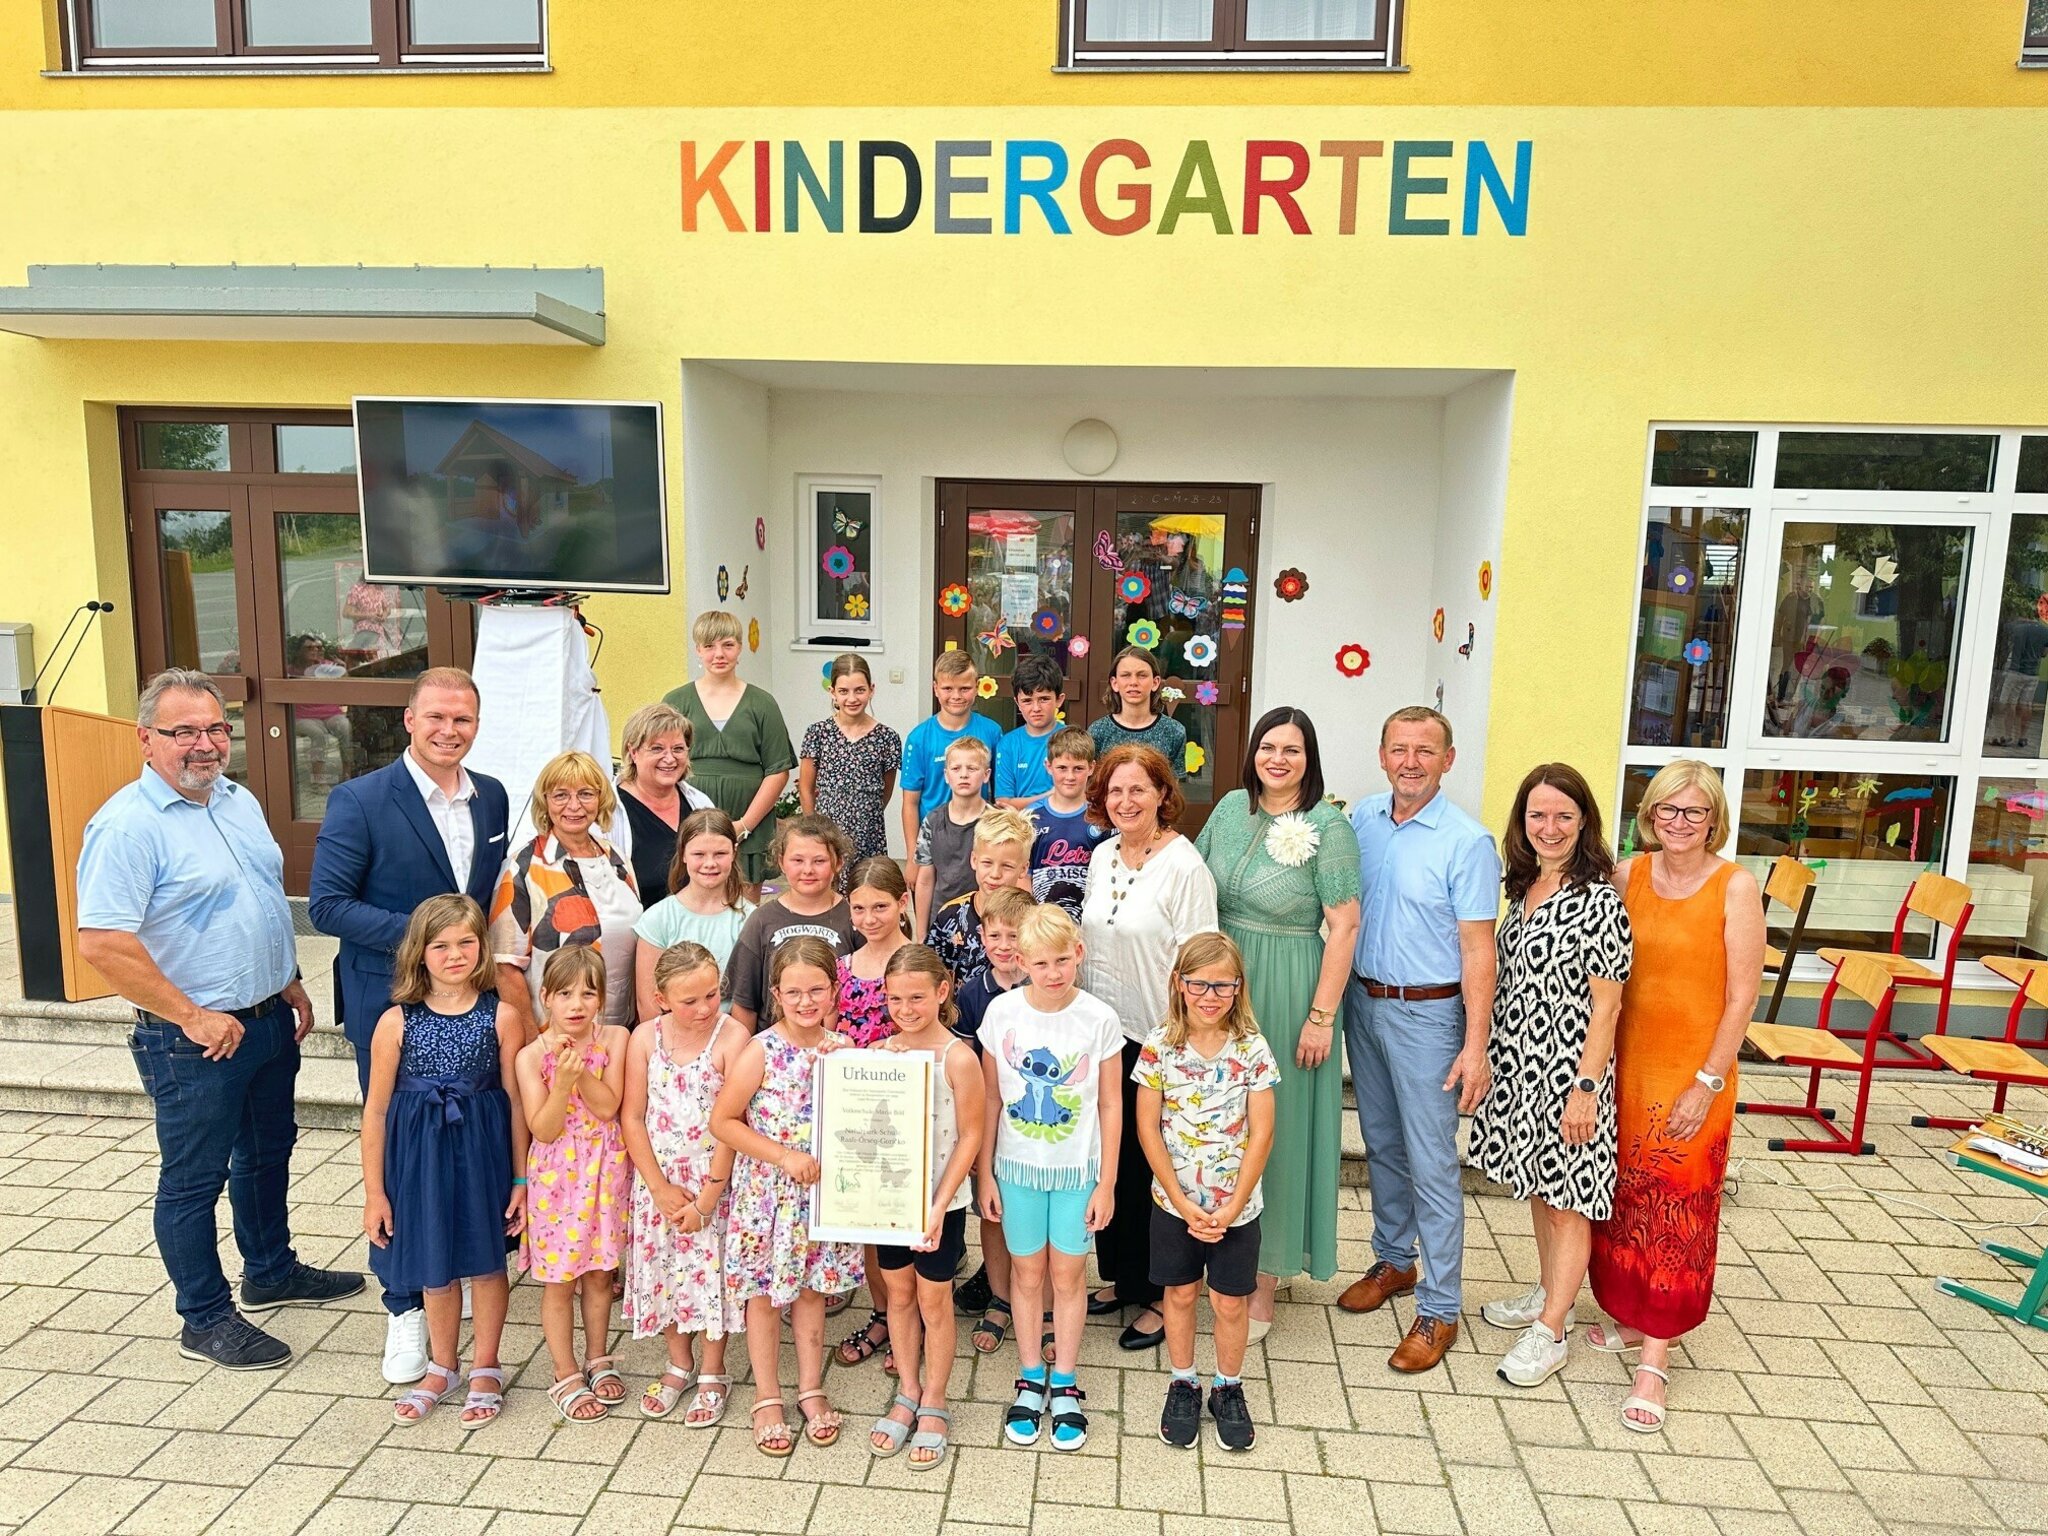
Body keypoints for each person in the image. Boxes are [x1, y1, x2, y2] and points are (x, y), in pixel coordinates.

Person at [77, 669, 362, 1371]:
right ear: (146, 740)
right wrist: (192, 1016)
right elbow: (102, 942)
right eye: (184, 732)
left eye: (214, 729)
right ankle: (203, 1317)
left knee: (268, 1152)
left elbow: (258, 897)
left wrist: (288, 978)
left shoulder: (236, 801)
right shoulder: (127, 826)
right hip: (193, 1040)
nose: (204, 744)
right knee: (193, 1179)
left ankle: (270, 1269)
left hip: (265, 1021)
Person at [309, 666, 509, 1384]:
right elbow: (327, 905)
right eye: (437, 718)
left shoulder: (493, 797)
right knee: (399, 1152)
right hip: (392, 1004)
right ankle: (403, 1307)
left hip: (473, 1010)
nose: (449, 730)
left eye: (463, 719)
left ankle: (469, 1274)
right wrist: (431, 941)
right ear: (410, 721)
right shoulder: (360, 800)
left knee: (467, 1150)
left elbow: (485, 900)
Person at [1587, 760, 1762, 1434]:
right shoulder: (1629, 873)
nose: (1678, 822)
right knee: (1625, 1199)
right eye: (1667, 810)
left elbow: (1741, 996)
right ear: (1649, 814)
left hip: (1694, 1074)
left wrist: (1708, 1080)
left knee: (1675, 1214)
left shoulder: (1735, 886)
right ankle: (1631, 1318)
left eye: (1692, 812)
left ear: (1714, 818)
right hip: (1625, 1066)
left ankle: (1655, 1359)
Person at [1339, 705, 1501, 1376]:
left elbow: (1478, 950)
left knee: (1433, 1164)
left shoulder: (1468, 842)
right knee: (1381, 1144)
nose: (1411, 761)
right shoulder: (1363, 822)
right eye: (1400, 749)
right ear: (1382, 755)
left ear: (1448, 760)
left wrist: (1476, 1044)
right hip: (1364, 1003)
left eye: (1425, 750)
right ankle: (1395, 1261)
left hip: (1429, 1016)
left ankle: (1439, 1307)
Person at [1194, 708, 1359, 1337]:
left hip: (1289, 983)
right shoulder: (1232, 807)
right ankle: (1212, 1253)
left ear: (1309, 758)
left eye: (1293, 749)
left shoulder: (1329, 825)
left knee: (1275, 1127)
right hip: (1221, 976)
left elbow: (1343, 925)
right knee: (1218, 1121)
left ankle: (1264, 1275)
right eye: (1269, 747)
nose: (1279, 759)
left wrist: (1320, 1016)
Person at [1470, 764, 1633, 1389]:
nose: (1550, 827)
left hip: (1569, 1072)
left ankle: (1553, 1331)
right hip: (1521, 1065)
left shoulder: (1598, 898)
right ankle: (1545, 1294)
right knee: (1541, 1190)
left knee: (1570, 1205)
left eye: (1564, 815)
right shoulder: (1527, 885)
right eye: (1538, 815)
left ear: (1585, 821)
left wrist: (1586, 1089)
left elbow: (1607, 1004)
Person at [359, 895, 525, 1430]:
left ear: (482, 948)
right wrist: (375, 1192)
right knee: (434, 1261)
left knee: (486, 1259)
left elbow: (517, 1102)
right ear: (420, 953)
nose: (454, 955)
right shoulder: (395, 1022)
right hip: (418, 1159)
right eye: (440, 945)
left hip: (483, 1154)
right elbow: (377, 1110)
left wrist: (522, 1178)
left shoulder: (502, 1015)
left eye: (465, 943)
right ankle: (442, 1364)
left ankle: (486, 1366)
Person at [1077, 744, 1220, 1351]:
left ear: (1163, 794)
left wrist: (1190, 1038)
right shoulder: (1102, 853)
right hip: (1102, 1035)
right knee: (1113, 1160)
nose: (1126, 802)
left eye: (1138, 790)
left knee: (1156, 1166)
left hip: (1158, 1037)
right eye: (1114, 791)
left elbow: (1203, 955)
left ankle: (1164, 1295)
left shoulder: (1184, 866)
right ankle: (1121, 1278)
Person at [977, 905, 1126, 1453]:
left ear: (1079, 954)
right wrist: (985, 1174)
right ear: (1021, 961)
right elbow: (992, 1098)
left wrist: (1107, 1182)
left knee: (1067, 1276)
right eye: (1040, 962)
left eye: (1063, 960)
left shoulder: (1099, 1019)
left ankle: (1064, 1378)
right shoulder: (1001, 1013)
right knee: (1026, 1273)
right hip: (1016, 1170)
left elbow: (1111, 1105)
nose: (1053, 972)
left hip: (1074, 1172)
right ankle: (1029, 1370)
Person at [711, 937, 866, 1458]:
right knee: (763, 1297)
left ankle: (809, 1386)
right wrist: (781, 1156)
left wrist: (859, 1061)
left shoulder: (842, 1048)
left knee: (809, 1294)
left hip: (819, 1197)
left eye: (816, 990)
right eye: (794, 992)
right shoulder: (761, 1049)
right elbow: (724, 1121)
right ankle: (767, 1395)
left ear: (833, 990)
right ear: (775, 993)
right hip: (767, 1196)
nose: (806, 1002)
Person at [1136, 933, 1277, 1454]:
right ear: (1179, 983)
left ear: (1239, 988)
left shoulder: (1252, 1049)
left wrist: (1233, 1206)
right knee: (1179, 1294)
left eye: (1223, 985)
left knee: (1231, 1302)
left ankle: (1228, 1386)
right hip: (1175, 1205)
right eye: (1199, 984)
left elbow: (1261, 1132)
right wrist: (1181, 1200)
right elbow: (1148, 1129)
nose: (1211, 995)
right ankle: (1182, 1381)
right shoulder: (1159, 1046)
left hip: (1236, 1209)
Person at [866, 945, 984, 1469]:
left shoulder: (958, 1057)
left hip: (941, 1203)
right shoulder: (884, 1052)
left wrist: (939, 1205)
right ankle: (907, 1388)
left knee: (935, 1301)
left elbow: (971, 1136)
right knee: (897, 1294)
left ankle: (935, 1398)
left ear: (942, 992)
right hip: (892, 1200)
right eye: (895, 999)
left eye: (917, 997)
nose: (906, 1008)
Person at [622, 941, 744, 1427]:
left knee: (711, 1274)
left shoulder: (732, 1038)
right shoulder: (644, 1039)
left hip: (713, 1183)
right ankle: (678, 1361)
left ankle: (714, 1369)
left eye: (712, 995)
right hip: (661, 1182)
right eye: (689, 1000)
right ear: (661, 999)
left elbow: (736, 1122)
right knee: (668, 1270)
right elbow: (632, 1116)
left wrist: (709, 1198)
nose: (703, 1008)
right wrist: (657, 1187)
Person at [515, 946, 633, 1424]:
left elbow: (608, 1108)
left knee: (601, 1271)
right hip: (556, 1179)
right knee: (561, 1278)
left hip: (605, 1172)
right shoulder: (530, 1056)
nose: (576, 1005)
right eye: (564, 994)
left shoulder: (616, 1039)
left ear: (602, 999)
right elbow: (542, 1128)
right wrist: (561, 1082)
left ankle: (598, 1355)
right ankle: (564, 1369)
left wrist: (580, 1070)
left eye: (588, 993)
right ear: (545, 997)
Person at [831, 854, 916, 1373]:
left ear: (902, 903)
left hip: (907, 1108)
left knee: (907, 1216)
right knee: (870, 1219)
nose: (869, 918)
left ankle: (917, 1314)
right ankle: (883, 1312)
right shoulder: (844, 966)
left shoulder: (918, 961)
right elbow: (833, 1027)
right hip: (858, 1109)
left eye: (880, 906)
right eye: (859, 908)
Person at [490, 751, 642, 1035]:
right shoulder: (521, 868)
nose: (574, 805)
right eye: (560, 795)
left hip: (620, 1033)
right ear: (545, 802)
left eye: (585, 794)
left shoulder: (617, 859)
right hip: (555, 1036)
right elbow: (505, 967)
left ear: (601, 800)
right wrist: (533, 1041)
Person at [951, 885, 1035, 1352]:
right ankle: (1001, 1300)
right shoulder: (972, 990)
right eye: (994, 936)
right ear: (982, 937)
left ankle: (1041, 1304)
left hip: (1036, 1126)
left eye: (1015, 936)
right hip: (990, 1120)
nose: (1004, 947)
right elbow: (964, 1057)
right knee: (994, 1211)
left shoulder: (1047, 986)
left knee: (1035, 1214)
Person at [663, 610, 797, 890]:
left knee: (744, 913)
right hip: (690, 819)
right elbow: (663, 763)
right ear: (698, 650)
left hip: (750, 822)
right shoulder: (676, 701)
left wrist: (744, 825)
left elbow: (777, 770)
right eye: (709, 646)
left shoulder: (762, 703)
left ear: (740, 648)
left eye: (727, 645)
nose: (719, 654)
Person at [727, 815, 858, 1029]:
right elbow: (744, 1001)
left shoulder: (854, 918)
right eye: (798, 860)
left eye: (819, 861)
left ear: (839, 862)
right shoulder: (761, 920)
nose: (808, 870)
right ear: (781, 862)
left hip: (837, 1047)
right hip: (775, 1047)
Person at [632, 809, 755, 1021]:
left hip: (729, 1037)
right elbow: (648, 1003)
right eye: (699, 854)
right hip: (671, 1038)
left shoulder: (751, 919)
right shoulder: (657, 919)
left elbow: (748, 1001)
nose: (710, 863)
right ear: (683, 854)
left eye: (720, 854)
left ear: (734, 852)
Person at [800, 655, 902, 866]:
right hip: (827, 835)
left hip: (869, 835)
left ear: (871, 689)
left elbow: (886, 789)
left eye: (860, 690)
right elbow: (806, 787)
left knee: (865, 891)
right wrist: (813, 830)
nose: (852, 698)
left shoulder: (887, 737)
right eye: (844, 691)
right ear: (833, 692)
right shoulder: (818, 733)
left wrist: (863, 814)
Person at [899, 649, 1002, 855]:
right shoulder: (918, 738)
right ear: (935, 689)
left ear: (977, 687)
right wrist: (913, 856)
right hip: (934, 842)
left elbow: (997, 794)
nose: (956, 696)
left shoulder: (992, 732)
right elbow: (910, 802)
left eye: (964, 688)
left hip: (979, 840)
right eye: (948, 688)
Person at [612, 702, 715, 901]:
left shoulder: (701, 804)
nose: (669, 759)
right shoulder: (609, 811)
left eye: (678, 749)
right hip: (636, 928)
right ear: (633, 752)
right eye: (657, 748)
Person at [927, 806, 1037, 986]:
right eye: (987, 862)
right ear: (973, 860)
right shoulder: (950, 916)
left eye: (1007, 866)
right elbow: (931, 976)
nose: (995, 874)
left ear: (1023, 869)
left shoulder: (1034, 920)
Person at [913, 737, 994, 937]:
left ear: (986, 775)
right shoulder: (932, 821)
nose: (964, 775)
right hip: (942, 920)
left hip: (986, 920)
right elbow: (924, 879)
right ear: (946, 775)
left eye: (972, 768)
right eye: (956, 769)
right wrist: (922, 933)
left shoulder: (996, 822)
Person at [1026, 727, 1107, 920]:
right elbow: (1023, 874)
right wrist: (1033, 916)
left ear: (1091, 767)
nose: (1070, 776)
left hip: (1091, 921)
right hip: (1043, 923)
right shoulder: (1031, 817)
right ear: (1048, 766)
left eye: (1078, 768)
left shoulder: (1102, 817)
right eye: (1062, 768)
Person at [1088, 647, 1188, 780]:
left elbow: (1173, 790)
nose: (1133, 682)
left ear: (1155, 682)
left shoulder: (1174, 731)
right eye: (1126, 675)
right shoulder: (1098, 731)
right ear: (1115, 683)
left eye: (1142, 675)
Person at [994, 653, 1066, 809]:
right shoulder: (1007, 744)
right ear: (1017, 703)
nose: (1036, 708)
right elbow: (1003, 803)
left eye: (1044, 699)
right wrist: (1050, 795)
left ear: (1059, 700)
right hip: (1021, 827)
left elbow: (1079, 795)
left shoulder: (1071, 739)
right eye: (1027, 701)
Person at [286, 634, 351, 788]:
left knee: (346, 727)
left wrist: (344, 668)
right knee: (318, 735)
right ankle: (319, 779)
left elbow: (346, 681)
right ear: (299, 651)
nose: (315, 651)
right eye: (309, 648)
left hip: (330, 713)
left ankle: (348, 774)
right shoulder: (291, 669)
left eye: (319, 648)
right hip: (303, 716)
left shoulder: (327, 666)